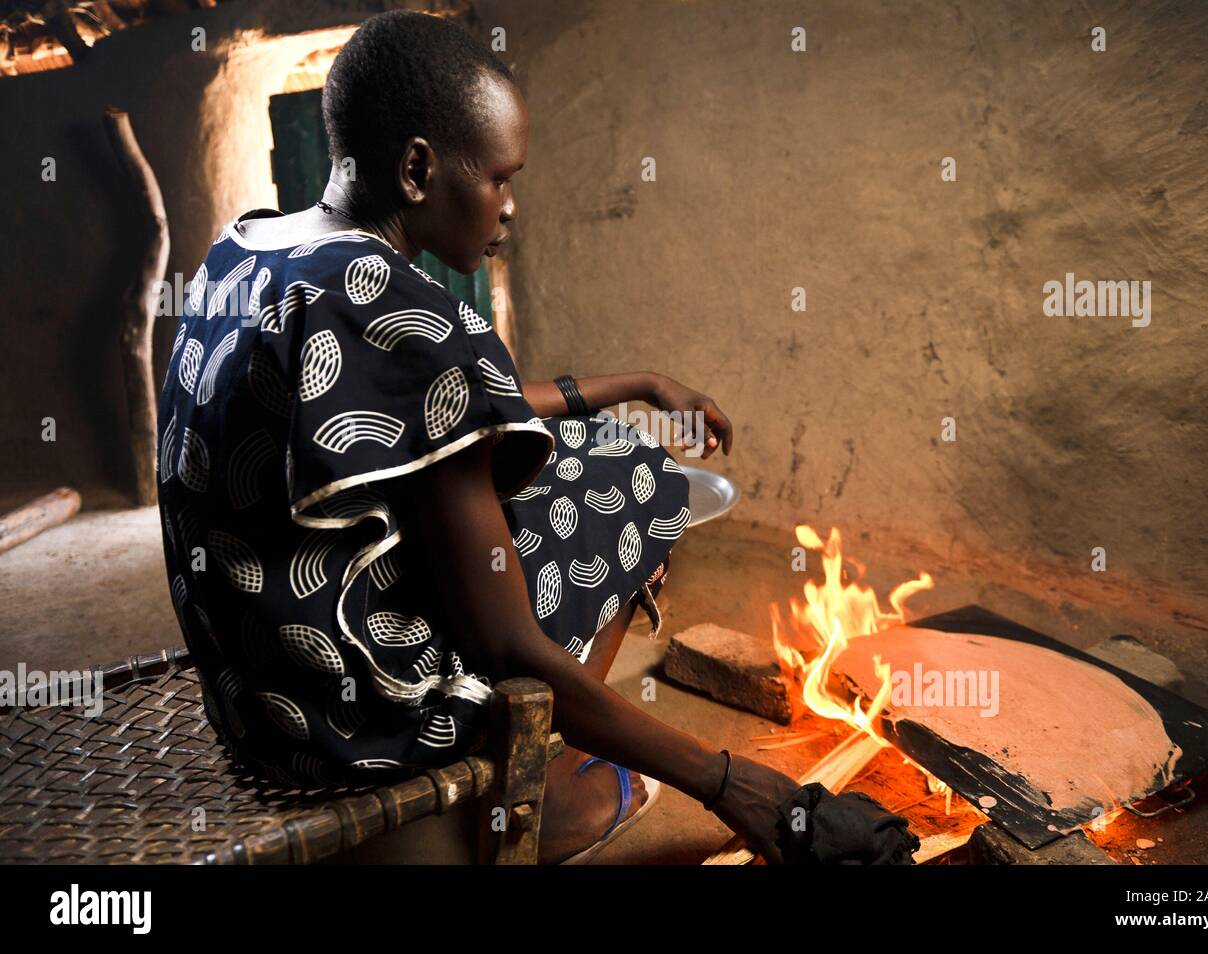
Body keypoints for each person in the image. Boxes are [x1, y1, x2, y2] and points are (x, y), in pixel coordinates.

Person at [155, 9, 798, 864]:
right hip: (347, 717)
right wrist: (729, 782)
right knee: (640, 482)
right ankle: (536, 797)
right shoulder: (408, 313)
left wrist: (633, 383)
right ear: (418, 167)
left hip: (252, 691)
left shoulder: (253, 250)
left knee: (591, 449)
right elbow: (505, 646)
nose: (510, 205)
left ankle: (527, 777)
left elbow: (435, 403)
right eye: (500, 177)